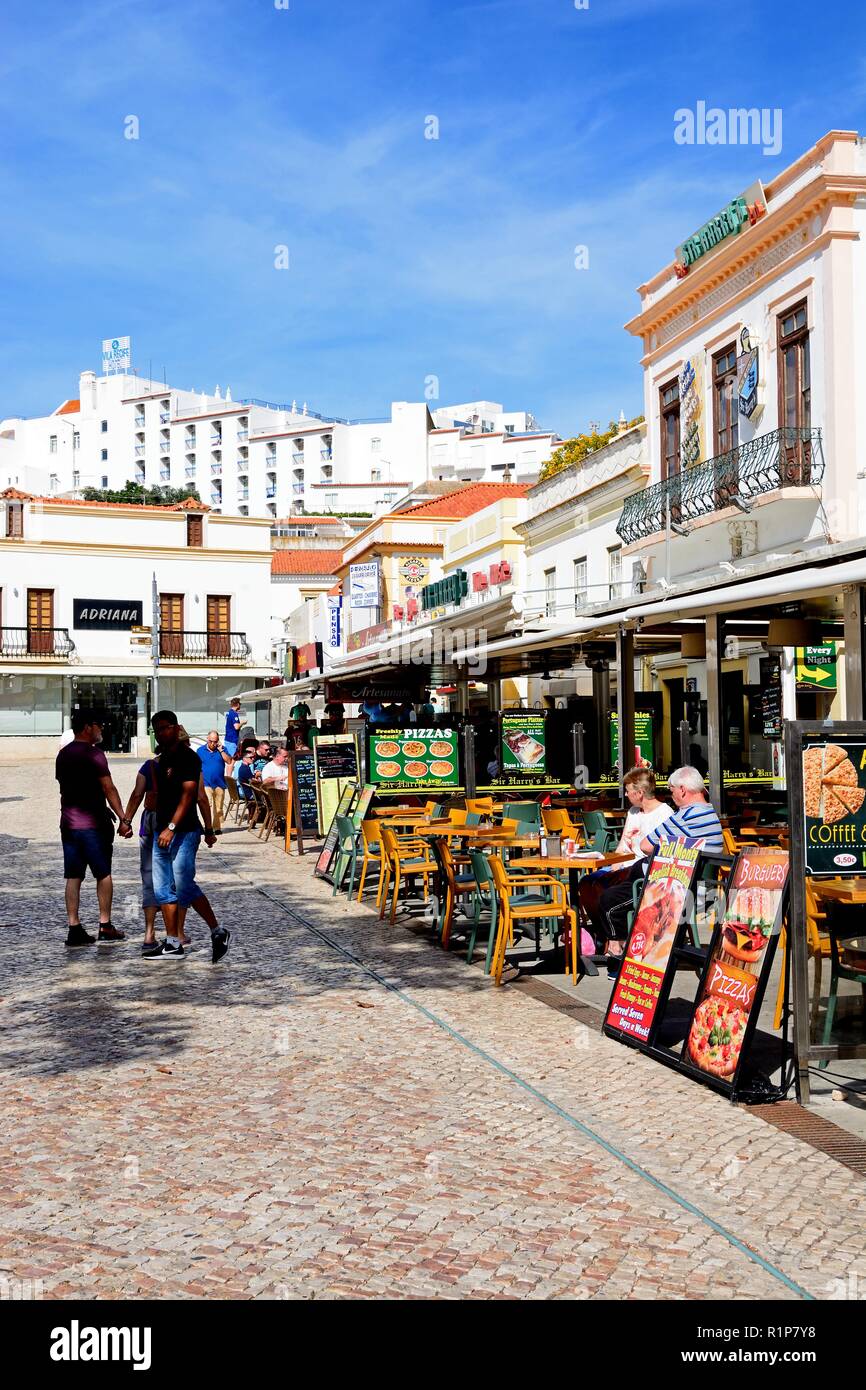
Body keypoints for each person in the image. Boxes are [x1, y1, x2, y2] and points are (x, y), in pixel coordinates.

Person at [600, 766, 724, 970]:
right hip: (697, 886)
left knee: (608, 899)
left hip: (672, 889)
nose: (670, 793)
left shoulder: (685, 816)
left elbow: (645, 846)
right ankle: (616, 946)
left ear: (683, 790)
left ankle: (617, 952)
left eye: (672, 788)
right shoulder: (710, 814)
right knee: (611, 885)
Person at [148, 709, 231, 963]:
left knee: (183, 884)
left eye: (165, 727)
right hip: (161, 832)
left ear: (176, 728)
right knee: (164, 889)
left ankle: (217, 930)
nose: (161, 733)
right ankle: (173, 943)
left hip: (183, 832)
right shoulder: (159, 762)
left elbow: (190, 797)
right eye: (157, 729)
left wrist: (176, 827)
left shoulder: (189, 759)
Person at [123, 753, 220, 954]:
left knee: (160, 880)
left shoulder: (150, 766)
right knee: (173, 884)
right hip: (168, 828)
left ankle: (153, 934)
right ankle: (177, 936)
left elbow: (137, 794)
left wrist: (127, 820)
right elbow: (200, 797)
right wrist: (209, 829)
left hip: (158, 825)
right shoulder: (189, 766)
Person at [578, 768, 671, 965]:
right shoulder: (633, 811)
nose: (626, 794)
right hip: (625, 866)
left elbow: (662, 854)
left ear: (640, 793)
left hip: (643, 871)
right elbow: (624, 843)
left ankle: (615, 942)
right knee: (586, 883)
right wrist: (615, 860)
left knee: (604, 892)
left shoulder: (664, 814)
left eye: (628, 790)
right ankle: (603, 935)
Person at [55, 709, 132, 947]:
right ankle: (105, 924)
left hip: (69, 824)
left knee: (73, 875)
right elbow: (109, 788)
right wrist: (124, 818)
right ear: (88, 727)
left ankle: (74, 927)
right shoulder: (94, 754)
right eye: (99, 725)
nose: (101, 730)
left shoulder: (63, 755)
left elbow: (65, 788)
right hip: (94, 825)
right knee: (103, 874)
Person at [197, 729, 232, 833]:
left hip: (219, 783)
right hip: (206, 783)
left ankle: (216, 828)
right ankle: (207, 827)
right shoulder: (200, 750)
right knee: (206, 805)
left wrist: (221, 750)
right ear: (207, 739)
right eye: (211, 741)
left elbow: (229, 761)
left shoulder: (222, 749)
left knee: (218, 808)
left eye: (215, 741)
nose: (213, 743)